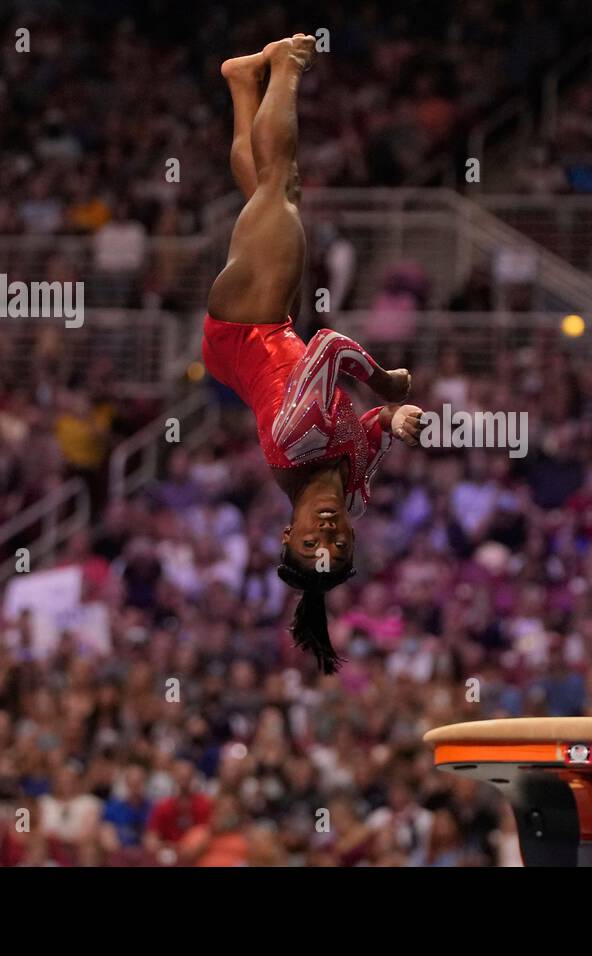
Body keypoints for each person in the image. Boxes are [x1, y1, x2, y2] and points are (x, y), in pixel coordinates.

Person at [203, 36, 424, 672]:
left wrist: (382, 382)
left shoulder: (294, 442)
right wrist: (398, 420)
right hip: (264, 340)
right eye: (337, 540)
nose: (328, 528)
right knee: (271, 197)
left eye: (311, 539)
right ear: (353, 534)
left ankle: (286, 66)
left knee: (279, 183)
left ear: (287, 534)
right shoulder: (354, 491)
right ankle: (243, 81)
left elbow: (327, 347)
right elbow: (374, 431)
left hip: (245, 327)